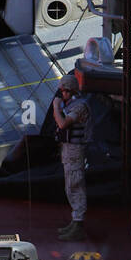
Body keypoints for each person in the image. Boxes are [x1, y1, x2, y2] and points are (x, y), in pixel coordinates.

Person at [53, 69, 91, 240]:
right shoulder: (69, 106)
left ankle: (79, 223)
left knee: (75, 185)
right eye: (62, 91)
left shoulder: (79, 106)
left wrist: (55, 106)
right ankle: (75, 221)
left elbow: (62, 124)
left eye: (65, 90)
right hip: (68, 150)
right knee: (70, 186)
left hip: (75, 151)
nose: (63, 94)